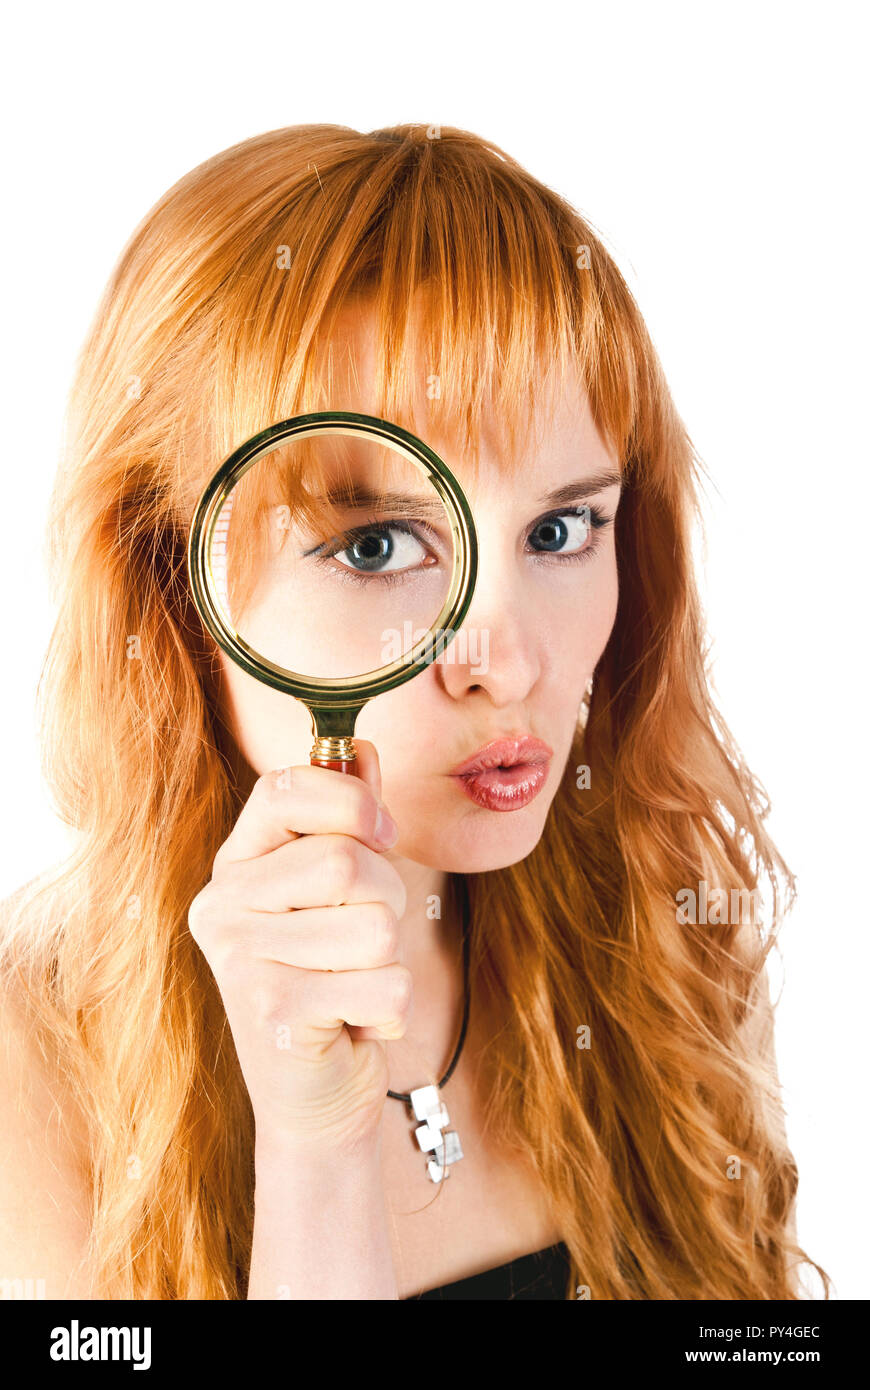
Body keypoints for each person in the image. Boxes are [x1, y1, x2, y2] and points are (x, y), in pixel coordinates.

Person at [0, 122, 830, 1300]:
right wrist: (313, 1157)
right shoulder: (31, 1070)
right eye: (378, 543)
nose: (505, 664)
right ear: (167, 583)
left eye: (559, 530)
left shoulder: (663, 933)